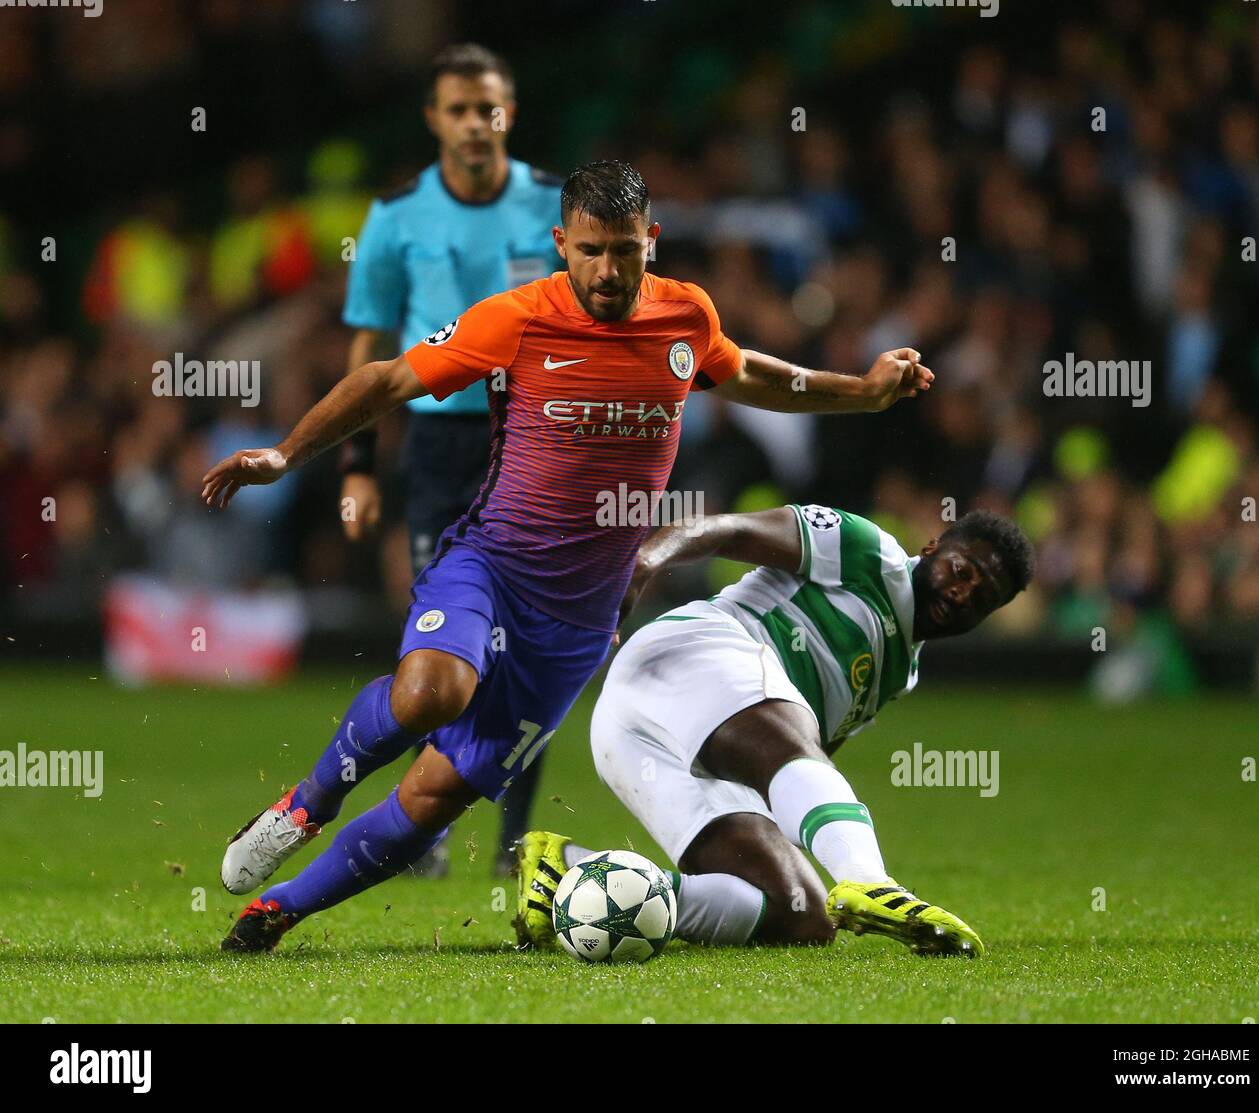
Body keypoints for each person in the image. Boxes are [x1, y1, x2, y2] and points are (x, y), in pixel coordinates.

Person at [203, 159, 933, 953]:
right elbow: (385, 381)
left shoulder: (685, 317)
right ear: (561, 243)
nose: (609, 269)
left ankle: (277, 910)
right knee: (431, 692)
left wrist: (860, 390)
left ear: (651, 241)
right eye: (590, 250)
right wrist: (285, 454)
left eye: (625, 249)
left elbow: (752, 371)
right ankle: (304, 805)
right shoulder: (516, 318)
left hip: (578, 623)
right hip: (491, 565)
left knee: (436, 792)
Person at [516, 506, 1034, 956]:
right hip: (689, 656)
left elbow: (810, 757)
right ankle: (873, 884)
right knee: (791, 744)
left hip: (634, 740)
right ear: (933, 547)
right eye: (961, 569)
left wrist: (785, 840)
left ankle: (569, 877)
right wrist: (648, 561)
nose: (963, 592)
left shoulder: (902, 673)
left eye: (983, 597)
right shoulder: (867, 549)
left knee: (800, 914)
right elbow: (726, 529)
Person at [340, 43, 560, 875]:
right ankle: (425, 826)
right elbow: (370, 341)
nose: (477, 122)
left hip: (534, 439)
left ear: (510, 112)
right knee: (444, 642)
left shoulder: (550, 204)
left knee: (530, 638)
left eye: (490, 107)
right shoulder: (397, 215)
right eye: (460, 109)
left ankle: (515, 844)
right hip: (439, 442)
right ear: (433, 118)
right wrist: (356, 463)